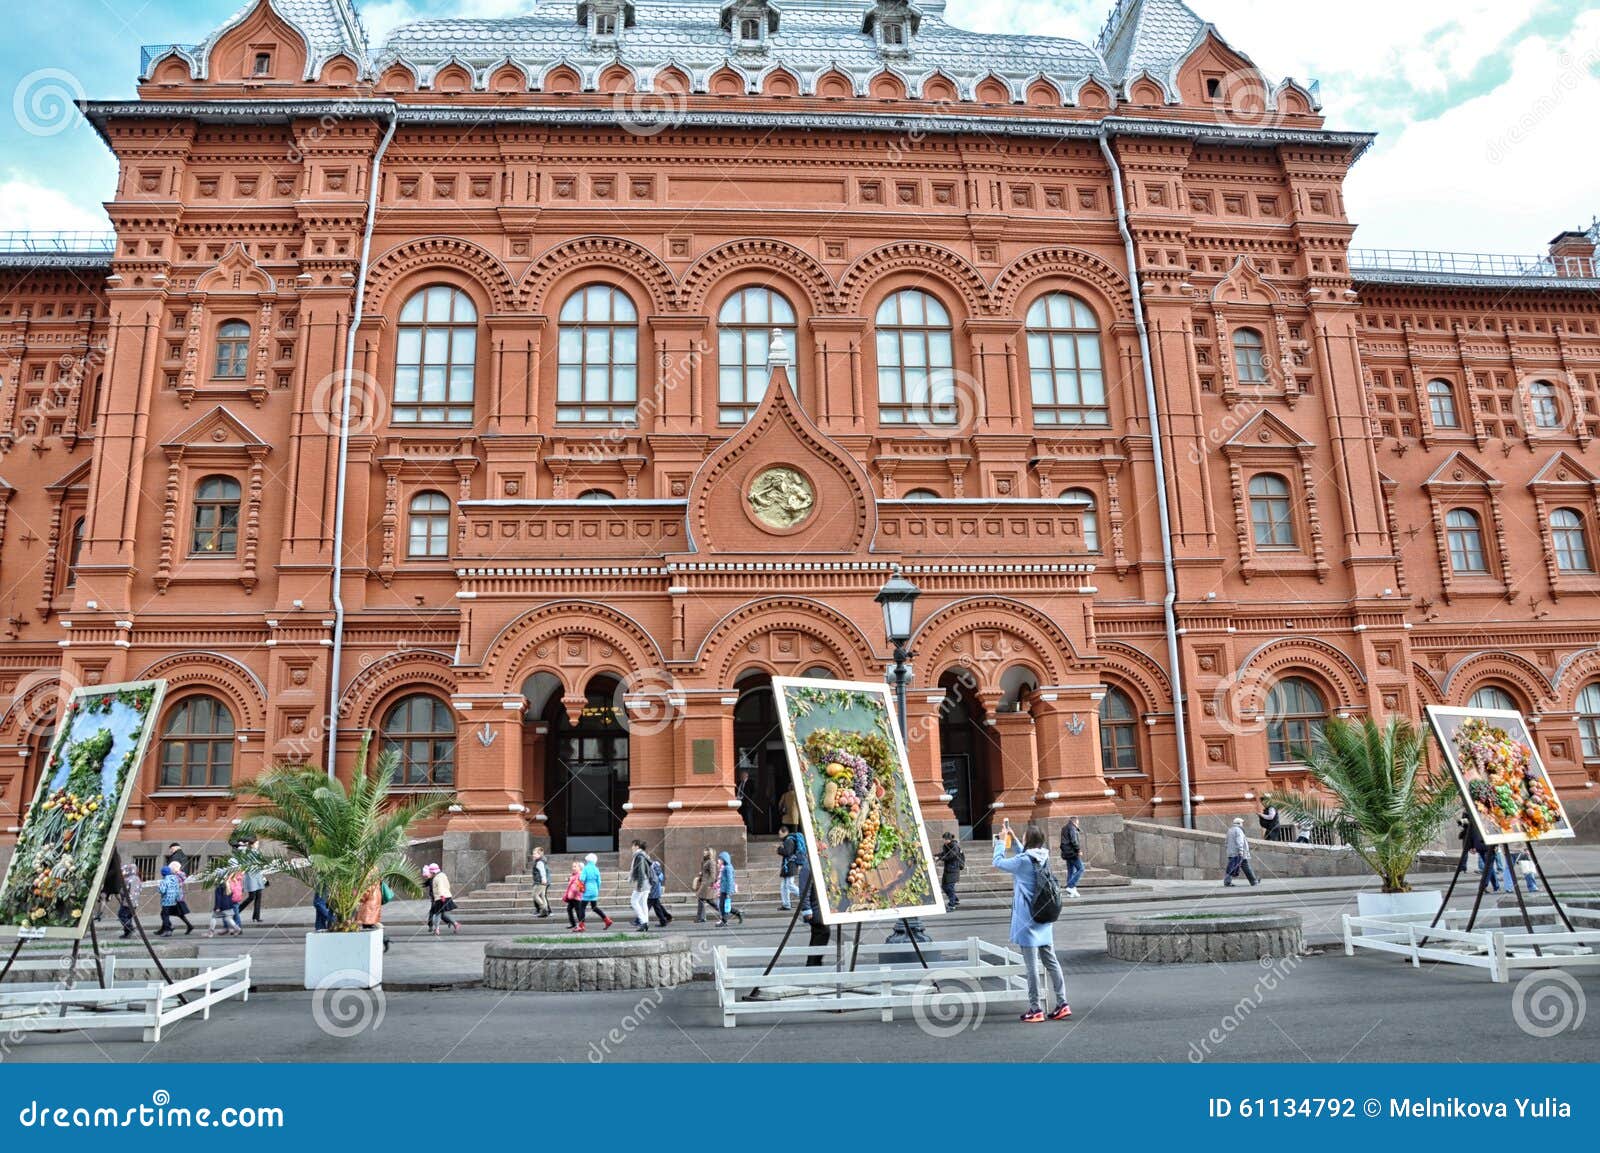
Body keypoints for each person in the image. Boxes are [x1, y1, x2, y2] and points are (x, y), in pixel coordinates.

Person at [993, 820, 1070, 1022]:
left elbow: (998, 862)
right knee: (1051, 961)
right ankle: (1063, 1003)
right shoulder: (1044, 857)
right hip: (1044, 918)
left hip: (1028, 919)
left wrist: (1001, 842)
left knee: (1031, 966)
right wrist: (1014, 837)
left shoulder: (1023, 861)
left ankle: (1035, 1009)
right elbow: (1025, 855)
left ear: (1028, 840)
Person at [578, 852, 613, 932]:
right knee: (594, 907)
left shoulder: (585, 868)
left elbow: (582, 879)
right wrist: (597, 889)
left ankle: (581, 926)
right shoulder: (596, 869)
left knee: (581, 908)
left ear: (588, 860)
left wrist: (580, 887)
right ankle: (607, 920)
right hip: (594, 890)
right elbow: (599, 882)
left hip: (587, 890)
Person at [156, 865, 193, 936]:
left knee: (165, 915)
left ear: (163, 873)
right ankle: (167, 928)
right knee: (165, 914)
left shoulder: (164, 881)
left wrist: (158, 889)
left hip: (166, 901)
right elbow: (177, 889)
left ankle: (168, 930)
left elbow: (162, 891)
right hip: (174, 900)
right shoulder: (175, 879)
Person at [1224, 817, 1260, 887]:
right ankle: (1253, 881)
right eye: (1242, 823)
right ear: (1239, 823)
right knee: (1246, 866)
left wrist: (1229, 850)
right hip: (1239, 853)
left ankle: (1227, 882)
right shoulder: (1239, 830)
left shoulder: (1230, 830)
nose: (1242, 824)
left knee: (1231, 867)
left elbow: (1226, 842)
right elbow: (1239, 841)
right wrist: (1241, 851)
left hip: (1231, 853)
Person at [424, 863, 458, 934]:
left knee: (437, 914)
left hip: (440, 898)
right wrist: (446, 893)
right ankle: (455, 924)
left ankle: (437, 930)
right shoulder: (443, 875)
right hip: (447, 896)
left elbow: (440, 887)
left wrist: (442, 895)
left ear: (433, 872)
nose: (430, 874)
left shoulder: (436, 878)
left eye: (431, 872)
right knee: (444, 914)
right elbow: (448, 886)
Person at [776, 824, 804, 911]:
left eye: (780, 834)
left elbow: (787, 852)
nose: (779, 836)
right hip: (788, 866)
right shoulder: (788, 840)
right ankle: (786, 904)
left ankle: (805, 897)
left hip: (790, 865)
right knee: (784, 886)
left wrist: (779, 849)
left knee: (790, 885)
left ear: (785, 832)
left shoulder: (789, 840)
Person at [237, 840, 266, 923]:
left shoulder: (257, 852)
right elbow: (245, 866)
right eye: (256, 844)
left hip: (258, 877)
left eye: (258, 843)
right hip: (251, 878)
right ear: (252, 845)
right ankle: (237, 911)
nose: (258, 845)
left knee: (258, 897)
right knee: (251, 897)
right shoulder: (248, 853)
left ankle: (256, 917)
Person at [628, 839, 653, 931]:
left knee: (634, 901)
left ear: (637, 846)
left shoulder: (639, 857)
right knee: (643, 904)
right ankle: (645, 923)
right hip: (646, 883)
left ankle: (643, 922)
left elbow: (641, 872)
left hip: (642, 883)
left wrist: (639, 886)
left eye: (633, 845)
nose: (631, 847)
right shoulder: (643, 855)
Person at [715, 850, 744, 927]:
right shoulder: (725, 867)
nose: (719, 860)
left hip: (726, 890)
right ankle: (738, 913)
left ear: (724, 859)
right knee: (723, 906)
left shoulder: (728, 868)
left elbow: (730, 880)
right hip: (723, 890)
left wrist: (728, 892)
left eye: (720, 859)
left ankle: (724, 921)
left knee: (723, 906)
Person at [936, 831, 965, 908]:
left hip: (953, 869)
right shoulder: (947, 846)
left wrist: (940, 858)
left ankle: (952, 904)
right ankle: (955, 899)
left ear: (949, 839)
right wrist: (937, 855)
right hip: (948, 869)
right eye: (943, 839)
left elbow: (951, 856)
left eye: (945, 839)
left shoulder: (954, 846)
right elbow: (944, 854)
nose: (944, 841)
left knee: (949, 887)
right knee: (944, 886)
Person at [1059, 816, 1085, 898]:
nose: (1078, 824)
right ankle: (1070, 885)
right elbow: (1074, 841)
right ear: (1075, 822)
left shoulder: (1065, 828)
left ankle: (1072, 891)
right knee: (1081, 868)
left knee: (1070, 871)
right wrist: (1078, 850)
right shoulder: (1072, 828)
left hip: (1066, 853)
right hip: (1072, 853)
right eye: (1078, 823)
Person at [116, 862, 143, 939]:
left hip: (127, 902)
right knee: (129, 917)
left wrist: (121, 892)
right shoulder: (138, 878)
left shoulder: (127, 880)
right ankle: (127, 933)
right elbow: (140, 889)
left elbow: (122, 891)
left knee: (121, 916)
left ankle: (130, 928)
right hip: (135, 902)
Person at [692, 847, 719, 922]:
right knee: (707, 901)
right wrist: (701, 874)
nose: (704, 852)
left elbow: (713, 875)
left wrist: (709, 884)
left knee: (705, 900)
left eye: (706, 851)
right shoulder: (705, 861)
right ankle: (702, 917)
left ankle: (700, 917)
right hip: (704, 883)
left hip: (707, 884)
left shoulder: (711, 862)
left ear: (710, 853)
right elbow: (705, 872)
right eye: (704, 850)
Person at [647, 853, 673, 927]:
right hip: (655, 888)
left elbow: (656, 878)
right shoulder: (652, 866)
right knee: (657, 905)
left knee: (649, 905)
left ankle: (639, 920)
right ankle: (666, 918)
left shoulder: (652, 866)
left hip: (654, 889)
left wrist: (652, 885)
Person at [563, 860, 586, 930]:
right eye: (572, 866)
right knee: (569, 909)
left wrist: (575, 890)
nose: (573, 868)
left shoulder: (580, 875)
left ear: (579, 868)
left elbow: (580, 885)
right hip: (572, 896)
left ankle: (581, 925)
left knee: (578, 911)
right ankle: (573, 924)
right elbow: (572, 880)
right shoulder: (574, 875)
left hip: (577, 896)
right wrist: (568, 879)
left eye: (575, 866)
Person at [530, 847, 552, 918]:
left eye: (535, 853)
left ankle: (544, 909)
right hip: (542, 881)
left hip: (540, 882)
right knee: (542, 896)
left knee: (535, 895)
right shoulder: (540, 861)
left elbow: (542, 871)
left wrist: (543, 879)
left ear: (539, 854)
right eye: (533, 853)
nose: (533, 855)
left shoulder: (539, 862)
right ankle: (545, 911)